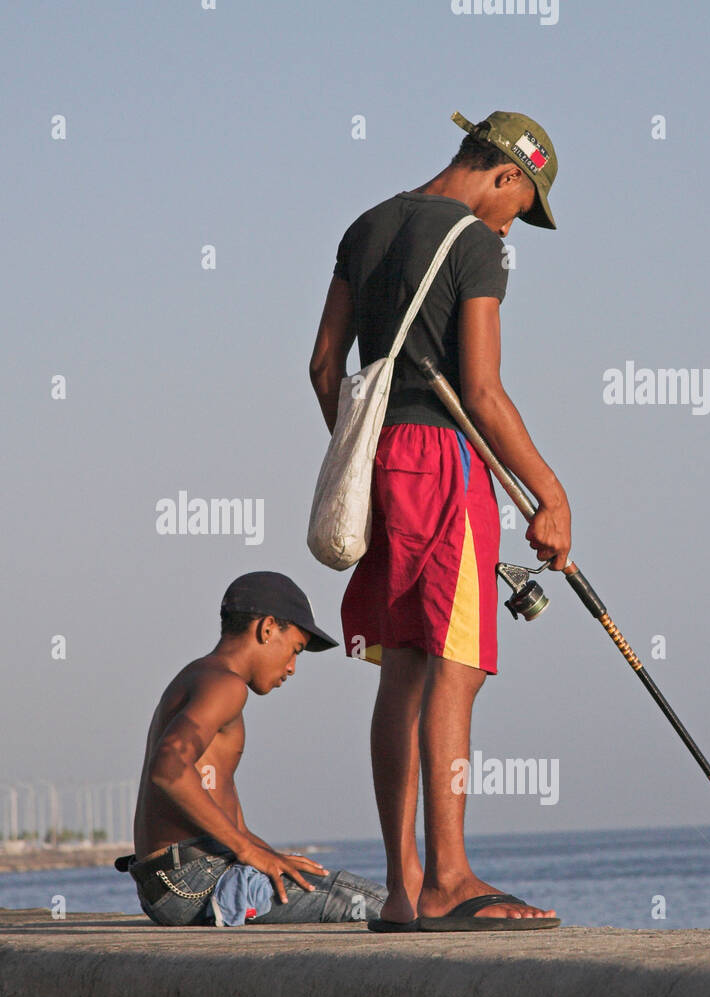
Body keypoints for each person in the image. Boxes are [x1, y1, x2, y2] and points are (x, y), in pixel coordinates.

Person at [306, 110, 572, 931]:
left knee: (405, 672)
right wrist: (550, 495)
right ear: (506, 175)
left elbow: (324, 366)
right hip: (444, 461)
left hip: (378, 455)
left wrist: (363, 461)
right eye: (520, 206)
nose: (513, 224)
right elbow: (484, 392)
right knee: (456, 666)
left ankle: (403, 888)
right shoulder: (476, 244)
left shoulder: (365, 226)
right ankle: (451, 878)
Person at [117, 571, 389, 926]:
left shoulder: (197, 676)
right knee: (378, 904)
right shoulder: (225, 685)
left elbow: (227, 818)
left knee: (320, 881)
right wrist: (248, 852)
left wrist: (269, 854)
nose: (291, 668)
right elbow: (168, 769)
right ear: (266, 629)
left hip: (170, 881)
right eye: (295, 649)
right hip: (195, 881)